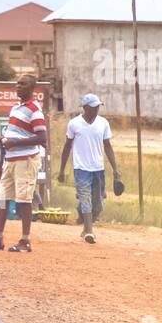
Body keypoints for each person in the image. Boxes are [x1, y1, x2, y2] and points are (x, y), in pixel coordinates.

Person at [0, 75, 47, 253]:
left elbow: (42, 138)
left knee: (24, 200)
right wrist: (2, 139)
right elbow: (17, 133)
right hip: (10, 159)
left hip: (26, 160)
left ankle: (25, 241)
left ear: (31, 88)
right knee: (3, 199)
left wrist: (15, 143)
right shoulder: (16, 107)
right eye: (17, 83)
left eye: (22, 84)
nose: (18, 86)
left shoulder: (34, 109)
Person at [56, 93, 121, 244]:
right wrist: (61, 170)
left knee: (97, 202)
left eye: (98, 107)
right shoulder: (74, 124)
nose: (96, 110)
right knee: (86, 198)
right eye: (92, 107)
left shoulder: (103, 123)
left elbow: (108, 146)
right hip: (81, 168)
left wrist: (115, 169)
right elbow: (67, 147)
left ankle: (84, 221)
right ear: (85, 108)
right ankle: (89, 231)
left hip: (98, 168)